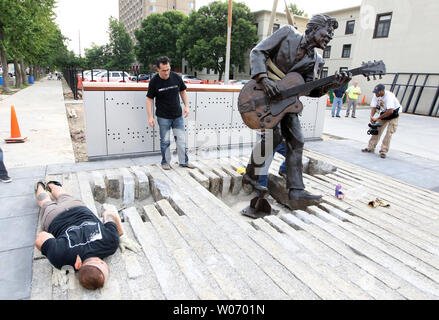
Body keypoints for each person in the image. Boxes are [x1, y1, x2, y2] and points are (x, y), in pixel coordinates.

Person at [243, 14, 351, 201]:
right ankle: (251, 175)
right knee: (273, 137)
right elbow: (257, 52)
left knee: (297, 140)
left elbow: (311, 90)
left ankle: (296, 190)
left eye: (332, 34)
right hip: (262, 92)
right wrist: (264, 79)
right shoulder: (287, 33)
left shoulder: (317, 61)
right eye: (328, 31)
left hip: (288, 103)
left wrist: (333, 84)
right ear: (315, 28)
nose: (330, 36)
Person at [34, 180, 141, 290]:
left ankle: (51, 184)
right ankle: (40, 186)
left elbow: (109, 213)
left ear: (103, 264)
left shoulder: (110, 242)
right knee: (45, 202)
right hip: (54, 217)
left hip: (76, 207)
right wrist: (54, 260)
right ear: (78, 266)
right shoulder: (62, 257)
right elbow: (41, 238)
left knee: (63, 195)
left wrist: (120, 236)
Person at [146, 56, 195, 170]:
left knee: (181, 140)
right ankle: (165, 162)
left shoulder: (176, 77)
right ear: (157, 69)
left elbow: (183, 91)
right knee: (165, 141)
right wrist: (150, 117)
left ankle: (184, 161)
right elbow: (149, 99)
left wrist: (186, 106)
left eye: (168, 69)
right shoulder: (154, 81)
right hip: (163, 117)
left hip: (177, 116)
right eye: (163, 70)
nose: (166, 72)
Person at [362, 84, 401, 159]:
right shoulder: (376, 95)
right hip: (384, 112)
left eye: (377, 92)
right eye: (375, 92)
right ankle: (370, 147)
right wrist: (372, 117)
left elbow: (390, 111)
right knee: (376, 129)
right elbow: (373, 106)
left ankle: (383, 151)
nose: (376, 94)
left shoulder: (389, 96)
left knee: (389, 132)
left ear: (382, 91)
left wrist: (377, 118)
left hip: (394, 114)